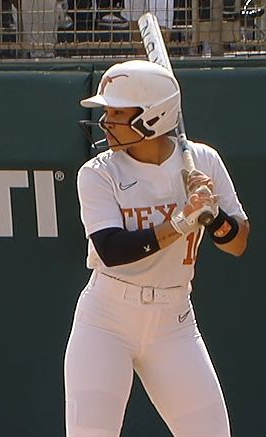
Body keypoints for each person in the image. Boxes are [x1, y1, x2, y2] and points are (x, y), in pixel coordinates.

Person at [66, 59, 250, 437]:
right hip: (106, 319)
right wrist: (182, 219)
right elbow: (112, 249)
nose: (106, 121)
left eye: (117, 112)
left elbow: (237, 244)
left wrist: (212, 216)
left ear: (153, 117)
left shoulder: (203, 161)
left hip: (174, 321)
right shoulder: (98, 172)